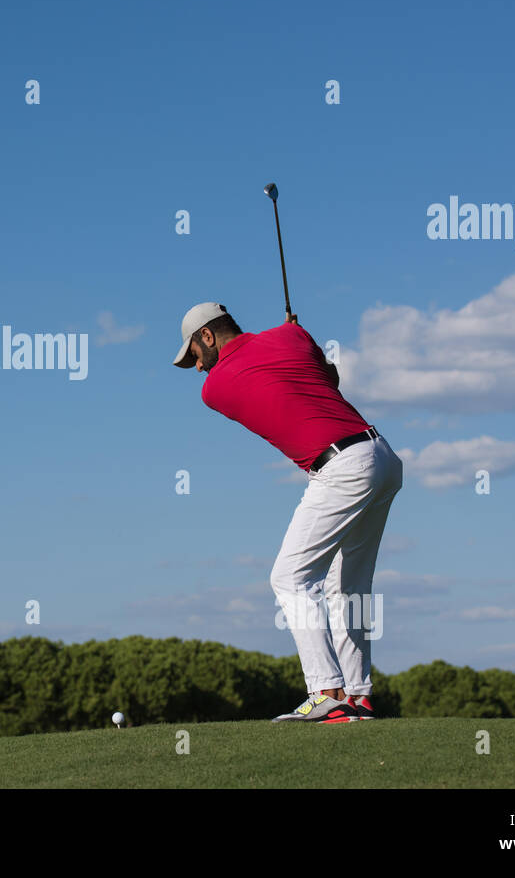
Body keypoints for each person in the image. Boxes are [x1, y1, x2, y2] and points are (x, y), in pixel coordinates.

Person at [173, 302, 403, 723]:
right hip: (382, 457)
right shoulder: (291, 337)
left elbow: (268, 372)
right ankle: (357, 696)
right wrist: (296, 336)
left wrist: (290, 339)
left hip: (341, 467)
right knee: (346, 585)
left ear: (207, 336)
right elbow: (330, 379)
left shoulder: (214, 388)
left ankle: (326, 693)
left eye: (194, 357)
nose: (198, 369)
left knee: (290, 577)